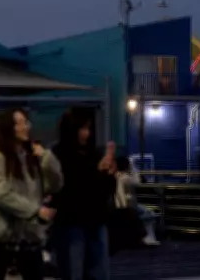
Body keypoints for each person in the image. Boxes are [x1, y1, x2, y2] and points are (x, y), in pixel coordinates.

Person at [0, 108, 63, 280]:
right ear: (8, 128)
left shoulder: (31, 158)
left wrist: (47, 158)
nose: (26, 127)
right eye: (20, 123)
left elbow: (55, 185)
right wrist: (33, 210)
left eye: (26, 122)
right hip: (1, 236)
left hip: (29, 235)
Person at [51, 108, 116, 280]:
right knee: (73, 271)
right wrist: (98, 172)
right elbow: (69, 189)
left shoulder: (93, 154)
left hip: (96, 220)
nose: (86, 133)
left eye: (88, 128)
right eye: (82, 128)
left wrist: (108, 174)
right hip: (71, 222)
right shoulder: (59, 155)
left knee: (99, 271)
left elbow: (105, 190)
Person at [115, 156, 160, 246]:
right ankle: (149, 238)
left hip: (121, 205)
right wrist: (133, 168)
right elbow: (137, 181)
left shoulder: (117, 175)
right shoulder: (125, 178)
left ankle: (147, 238)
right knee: (149, 214)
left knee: (146, 212)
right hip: (128, 206)